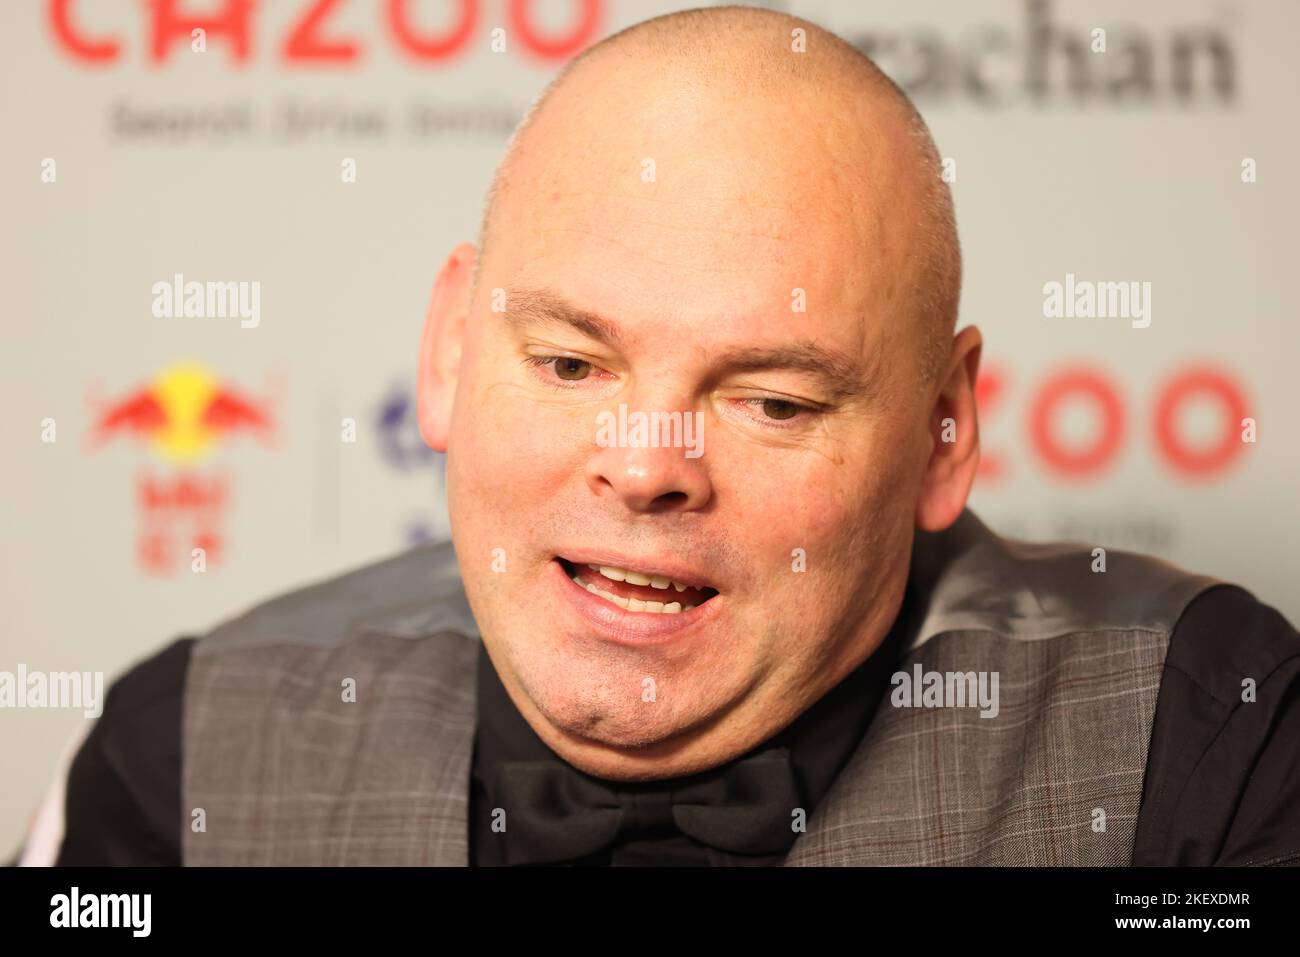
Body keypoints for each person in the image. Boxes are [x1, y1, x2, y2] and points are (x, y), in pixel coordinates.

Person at [17, 5, 1300, 867]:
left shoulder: (1209, 740)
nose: (641, 466)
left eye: (773, 402)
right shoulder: (181, 751)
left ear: (942, 431)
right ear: (451, 354)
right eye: (571, 363)